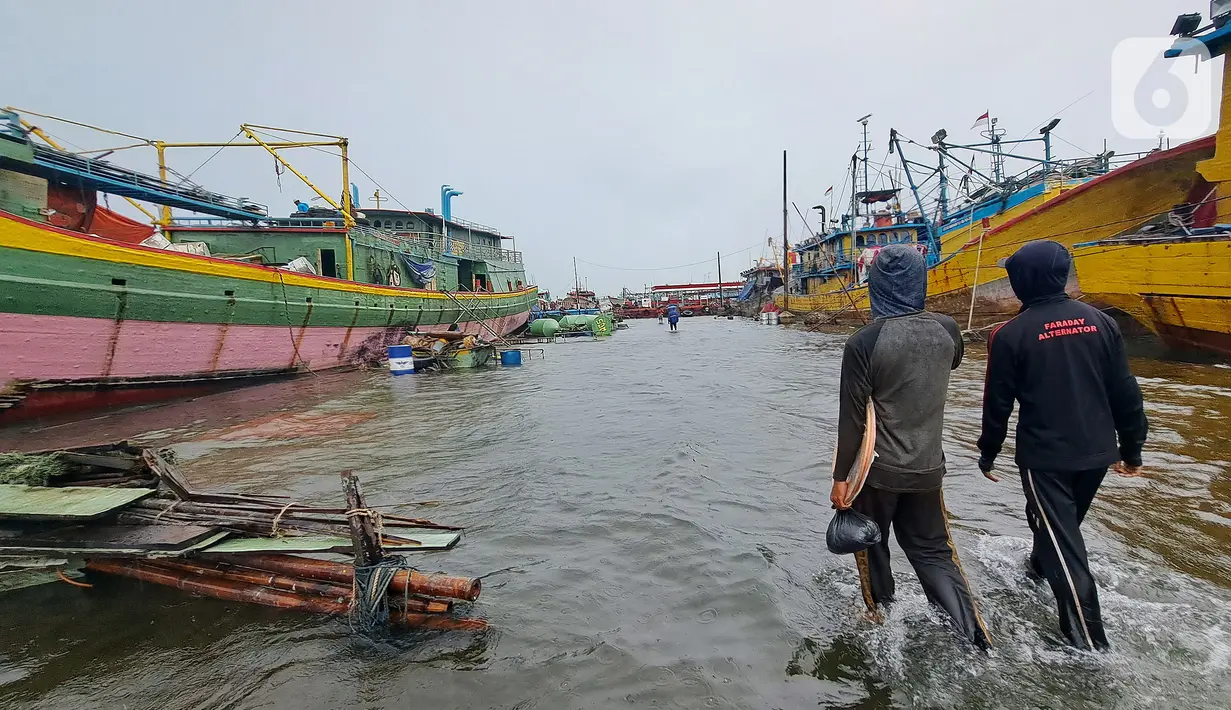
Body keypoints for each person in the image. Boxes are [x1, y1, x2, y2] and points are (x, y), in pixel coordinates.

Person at [977, 239, 1147, 652]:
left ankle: (1089, 644)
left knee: (1066, 548)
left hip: (1045, 460)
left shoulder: (1009, 334)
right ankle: (1036, 571)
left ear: (1021, 281)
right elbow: (1125, 390)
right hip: (1097, 453)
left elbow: (997, 403)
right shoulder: (1101, 322)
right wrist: (1132, 449)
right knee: (1060, 531)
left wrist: (988, 453)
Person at [831, 244, 993, 650]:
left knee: (873, 547)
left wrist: (839, 479)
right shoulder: (948, 330)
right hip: (928, 470)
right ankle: (973, 640)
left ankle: (880, 623)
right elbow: (950, 363)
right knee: (934, 553)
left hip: (875, 475)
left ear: (876, 286)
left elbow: (852, 419)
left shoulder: (863, 343)